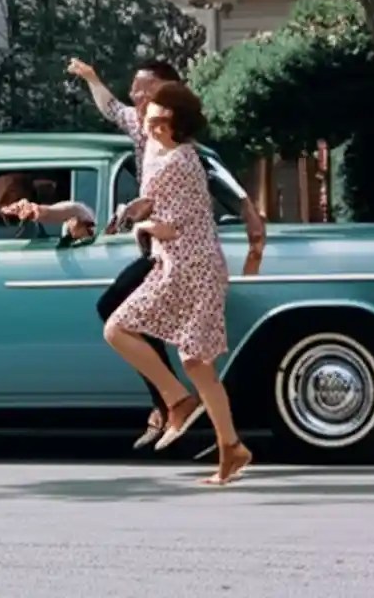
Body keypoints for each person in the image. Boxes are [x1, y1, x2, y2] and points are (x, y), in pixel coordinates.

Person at [67, 57, 266, 450]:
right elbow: (110, 107)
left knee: (123, 315)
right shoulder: (140, 124)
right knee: (136, 321)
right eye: (136, 92)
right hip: (164, 246)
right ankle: (195, 416)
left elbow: (214, 172)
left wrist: (247, 210)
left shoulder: (178, 142)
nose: (138, 98)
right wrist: (91, 77)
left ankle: (173, 404)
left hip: (181, 250)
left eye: (147, 91)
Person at [103, 81, 251, 485]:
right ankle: (229, 446)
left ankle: (182, 405)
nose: (147, 117)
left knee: (123, 331)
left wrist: (139, 223)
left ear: (169, 124)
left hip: (192, 268)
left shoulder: (178, 163)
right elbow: (154, 203)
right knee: (193, 360)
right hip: (184, 266)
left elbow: (169, 227)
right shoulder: (163, 152)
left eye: (154, 114)